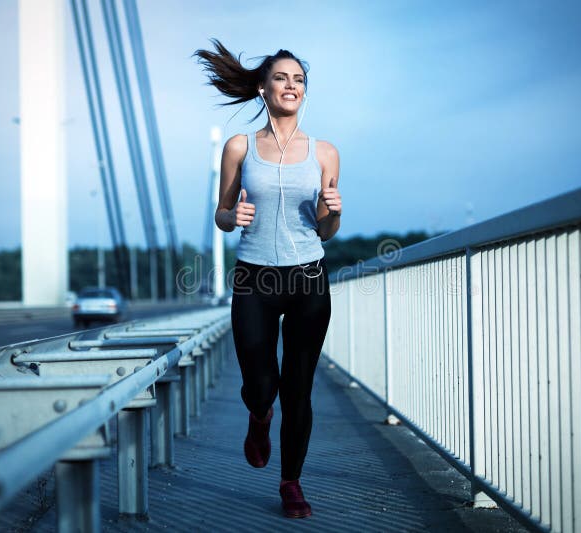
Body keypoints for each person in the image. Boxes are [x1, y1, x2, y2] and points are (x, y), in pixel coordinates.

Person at [195, 39, 342, 519]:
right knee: (261, 385)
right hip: (254, 280)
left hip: (308, 279)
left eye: (298, 79)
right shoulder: (239, 147)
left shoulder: (324, 152)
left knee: (298, 387)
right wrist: (230, 214)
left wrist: (331, 212)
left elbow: (327, 229)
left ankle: (291, 483)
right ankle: (259, 416)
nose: (291, 85)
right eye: (281, 77)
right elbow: (220, 213)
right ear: (263, 88)